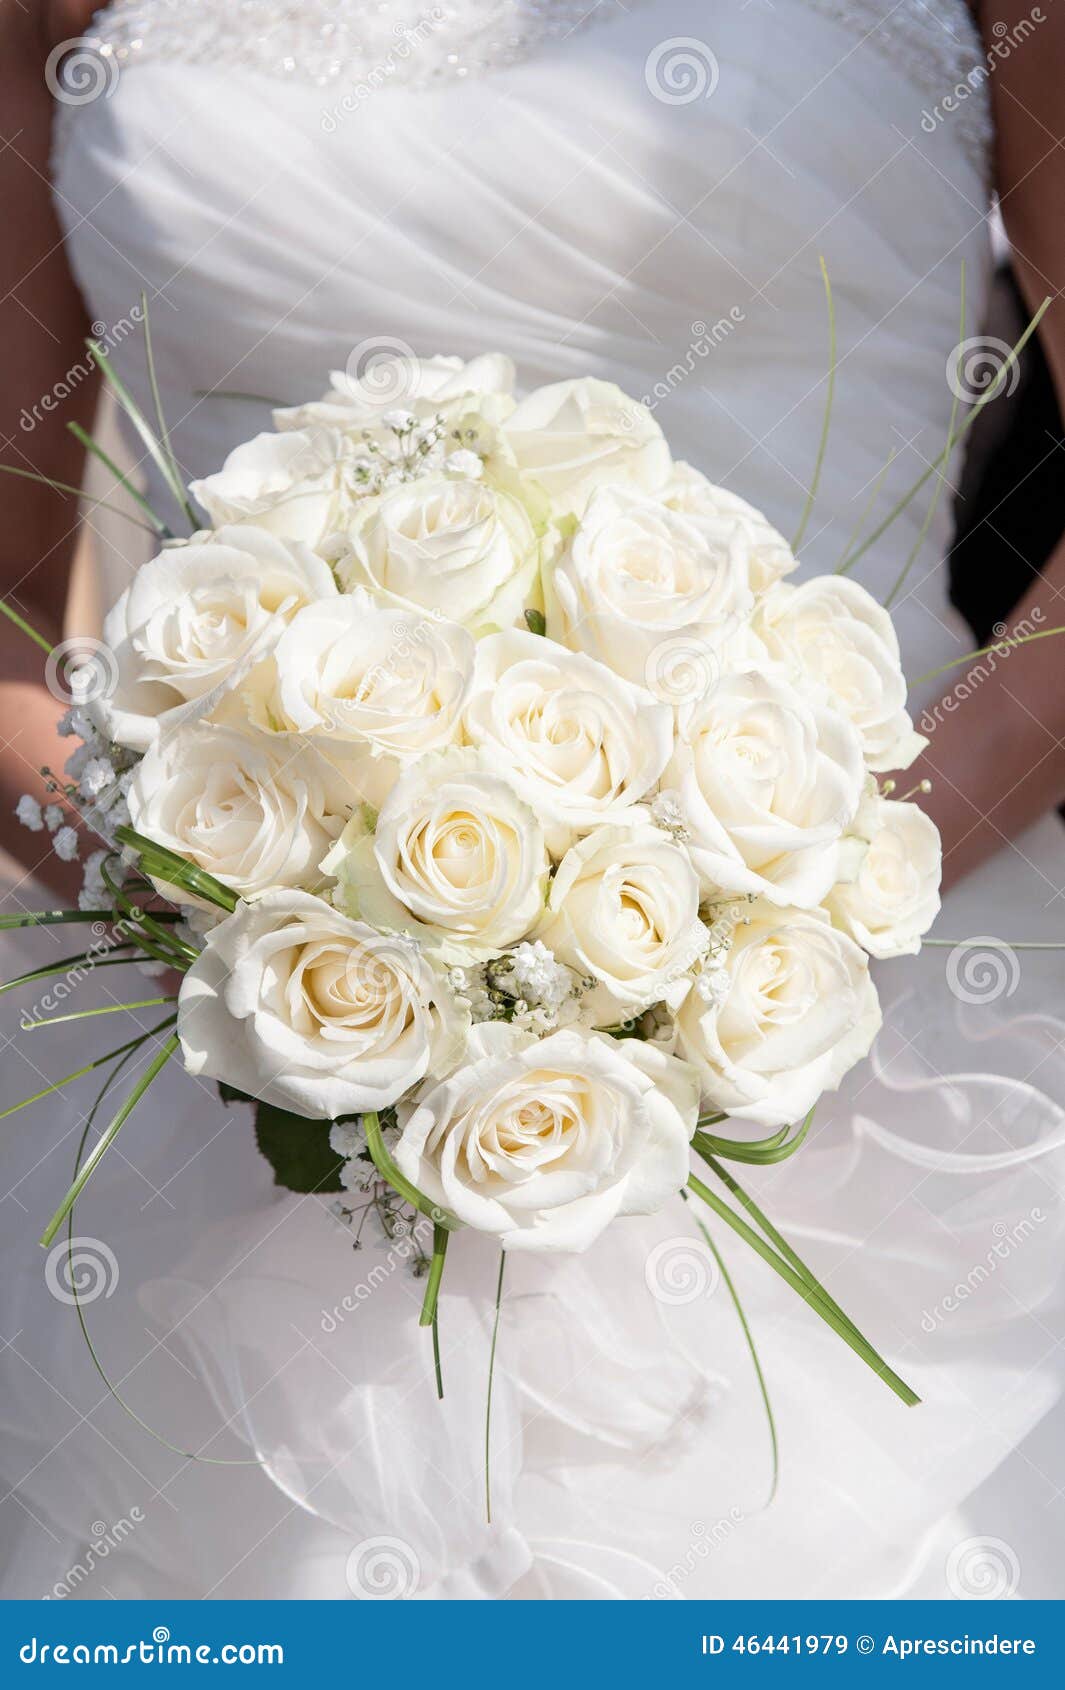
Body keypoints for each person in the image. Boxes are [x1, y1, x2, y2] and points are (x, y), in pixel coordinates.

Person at [1, 0, 1064, 1601]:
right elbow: (15, 614)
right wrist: (198, 916)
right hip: (230, 1054)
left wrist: (793, 899)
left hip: (876, 1015)